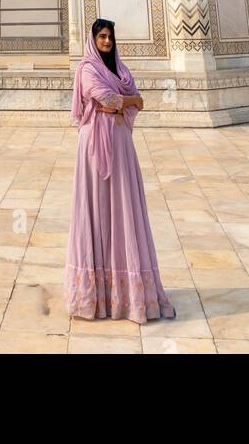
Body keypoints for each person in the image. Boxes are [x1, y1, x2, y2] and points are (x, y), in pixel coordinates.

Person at [64, 18, 177, 324]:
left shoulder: (120, 70)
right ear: (92, 39)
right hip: (94, 147)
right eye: (101, 36)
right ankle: (96, 296)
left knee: (123, 207)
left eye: (110, 37)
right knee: (98, 210)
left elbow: (132, 101)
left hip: (120, 143)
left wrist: (123, 102)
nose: (106, 41)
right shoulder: (87, 68)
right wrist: (125, 101)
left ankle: (125, 293)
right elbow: (111, 99)